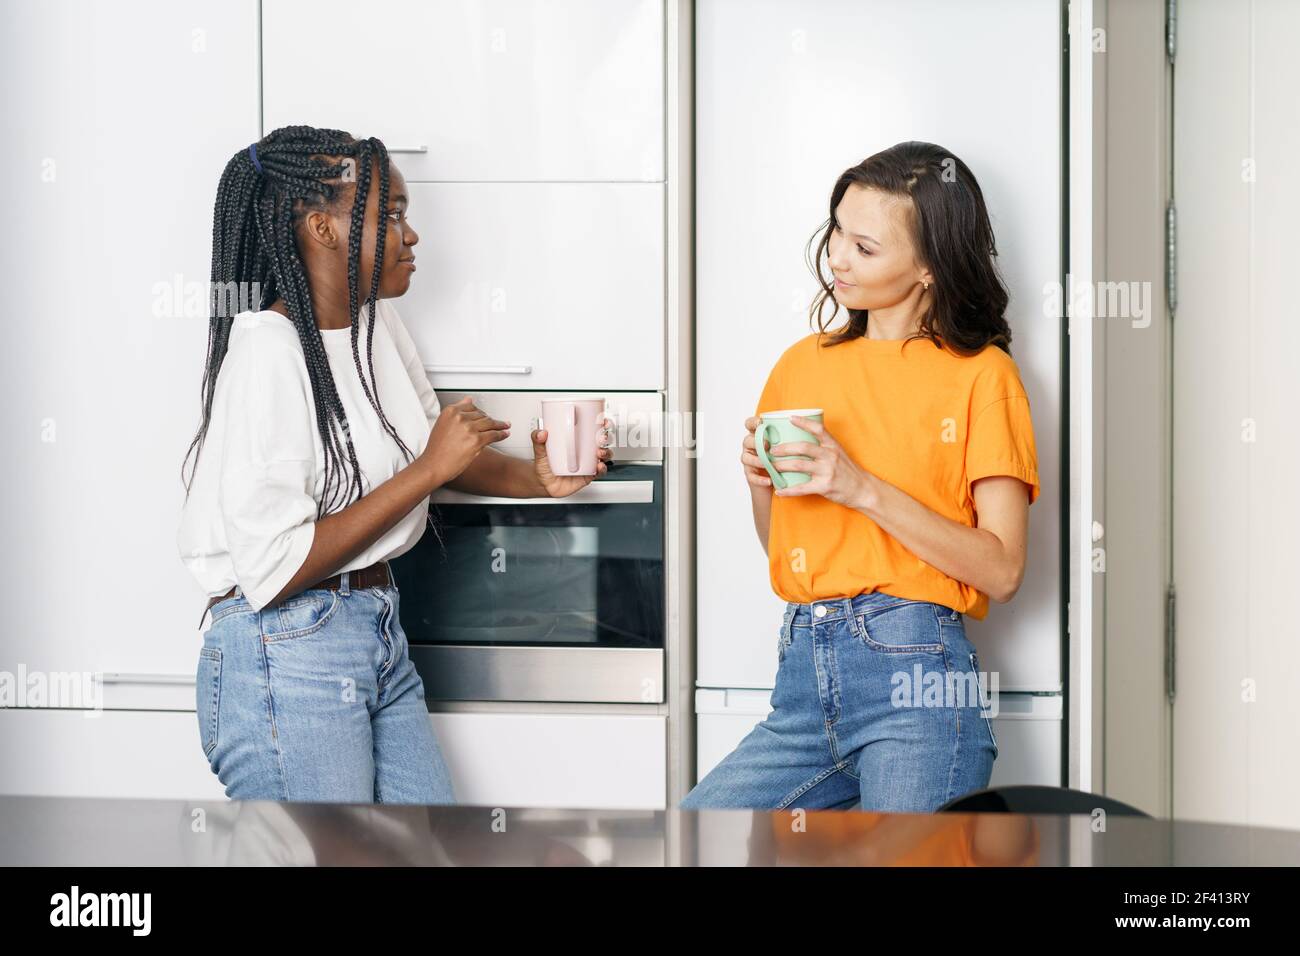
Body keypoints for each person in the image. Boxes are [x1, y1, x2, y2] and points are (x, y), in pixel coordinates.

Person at [177, 126, 611, 803]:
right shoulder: (268, 352)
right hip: (285, 649)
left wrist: (536, 478)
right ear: (321, 229)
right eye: (394, 216)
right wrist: (429, 470)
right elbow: (276, 568)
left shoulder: (377, 327)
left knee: (429, 848)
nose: (412, 237)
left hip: (373, 625)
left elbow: (432, 449)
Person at [681, 141, 1040, 812]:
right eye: (837, 231)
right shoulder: (802, 363)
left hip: (916, 681)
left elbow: (1002, 570)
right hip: (801, 673)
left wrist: (859, 487)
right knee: (695, 840)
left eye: (865, 247)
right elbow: (786, 548)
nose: (837, 258)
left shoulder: (983, 377)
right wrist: (762, 484)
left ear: (930, 266)